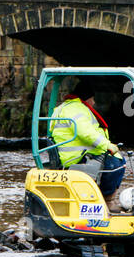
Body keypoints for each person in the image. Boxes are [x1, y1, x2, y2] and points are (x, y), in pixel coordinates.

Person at [49, 79, 127, 212]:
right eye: (92, 99)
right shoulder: (76, 109)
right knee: (116, 162)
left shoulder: (63, 108)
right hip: (77, 157)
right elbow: (86, 133)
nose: (94, 102)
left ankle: (99, 200)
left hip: (70, 155)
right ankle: (107, 202)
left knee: (114, 160)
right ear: (86, 98)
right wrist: (107, 145)